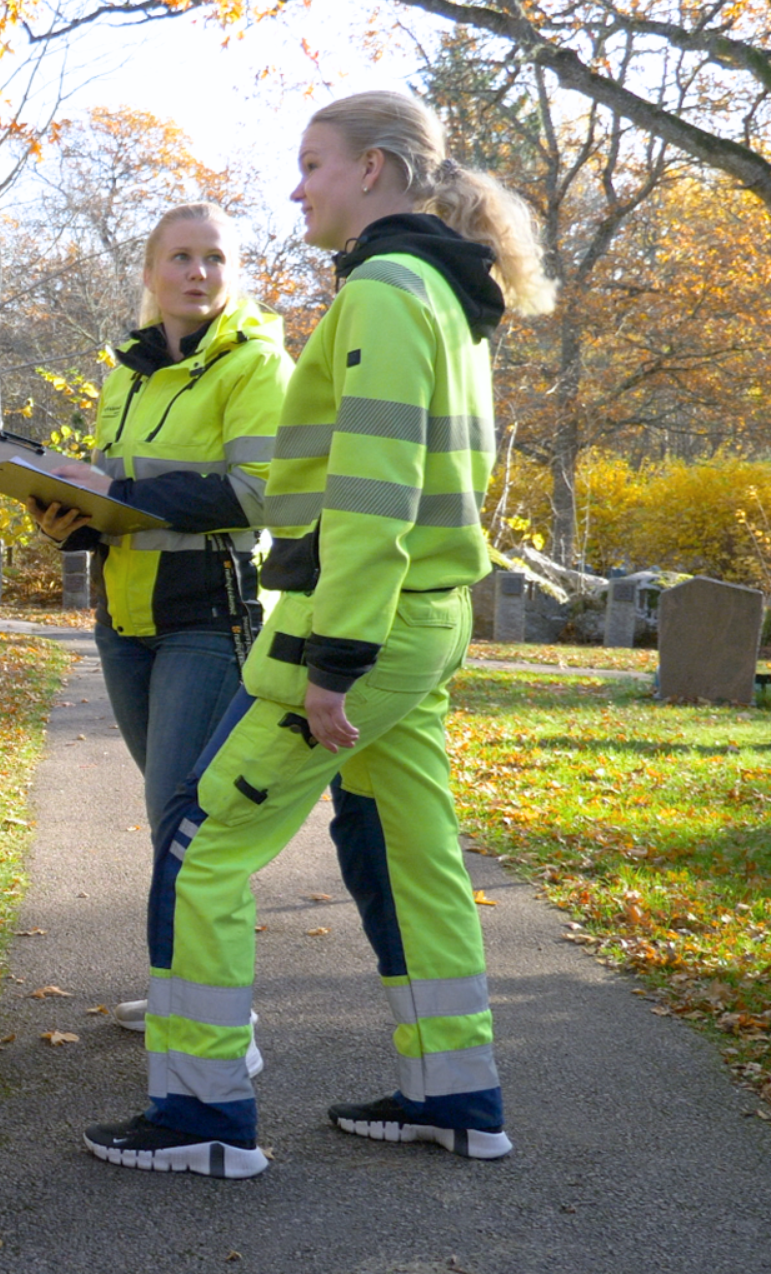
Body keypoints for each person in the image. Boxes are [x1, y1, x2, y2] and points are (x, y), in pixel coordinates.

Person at [82, 90, 556, 1179]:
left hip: (361, 631)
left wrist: (333, 661)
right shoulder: (444, 291)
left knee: (203, 846)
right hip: (425, 620)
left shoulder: (388, 291)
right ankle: (456, 1096)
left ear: (377, 170)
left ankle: (203, 1116)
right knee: (412, 858)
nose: (297, 188)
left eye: (313, 164)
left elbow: (375, 487)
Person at [28, 202, 293, 1046]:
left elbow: (258, 493)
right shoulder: (128, 373)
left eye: (215, 257)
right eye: (180, 257)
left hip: (208, 617)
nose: (198, 273)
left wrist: (120, 498)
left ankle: (223, 1024)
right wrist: (65, 509)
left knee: (191, 817)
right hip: (124, 614)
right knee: (165, 807)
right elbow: (118, 491)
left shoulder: (255, 364)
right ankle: (183, 990)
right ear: (149, 273)